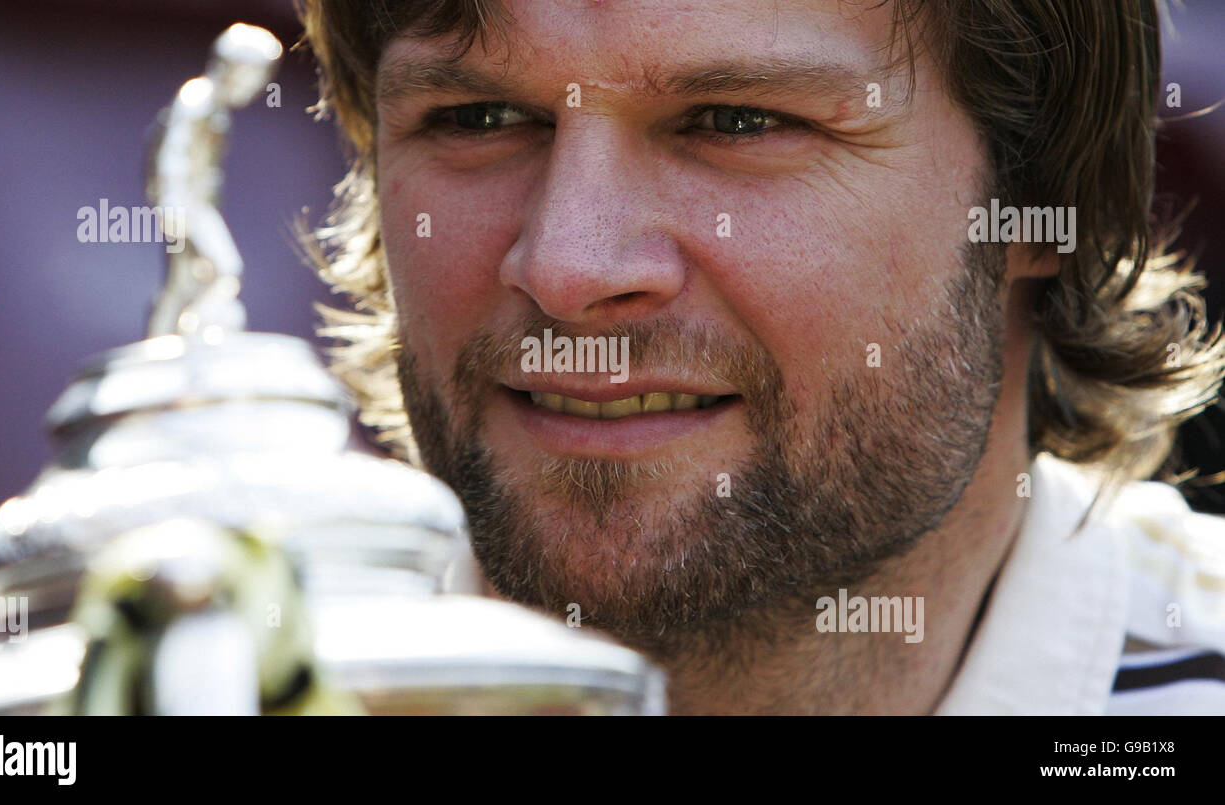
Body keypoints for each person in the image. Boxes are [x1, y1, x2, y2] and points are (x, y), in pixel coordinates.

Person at [299, 0, 1225, 714]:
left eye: (738, 121)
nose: (566, 266)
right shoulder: (189, 659)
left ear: (1043, 196)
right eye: (480, 116)